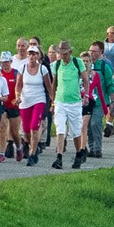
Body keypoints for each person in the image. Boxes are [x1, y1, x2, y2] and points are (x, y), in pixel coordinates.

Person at [49, 40, 88, 170]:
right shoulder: (57, 64)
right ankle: (59, 157)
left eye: (65, 54)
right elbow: (54, 83)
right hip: (60, 101)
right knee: (60, 129)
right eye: (60, 53)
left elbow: (85, 79)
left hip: (74, 102)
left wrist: (86, 96)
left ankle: (78, 154)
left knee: (76, 131)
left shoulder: (77, 62)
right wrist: (53, 101)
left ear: (70, 52)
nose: (62, 56)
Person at [15, 46, 52, 166]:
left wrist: (53, 101)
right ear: (27, 55)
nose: (32, 56)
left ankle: (32, 153)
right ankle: (30, 145)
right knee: (26, 129)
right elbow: (18, 85)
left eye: (34, 54)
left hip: (39, 100)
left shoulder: (43, 69)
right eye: (30, 54)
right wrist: (17, 96)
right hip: (25, 101)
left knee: (34, 126)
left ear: (38, 56)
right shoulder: (22, 68)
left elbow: (49, 87)